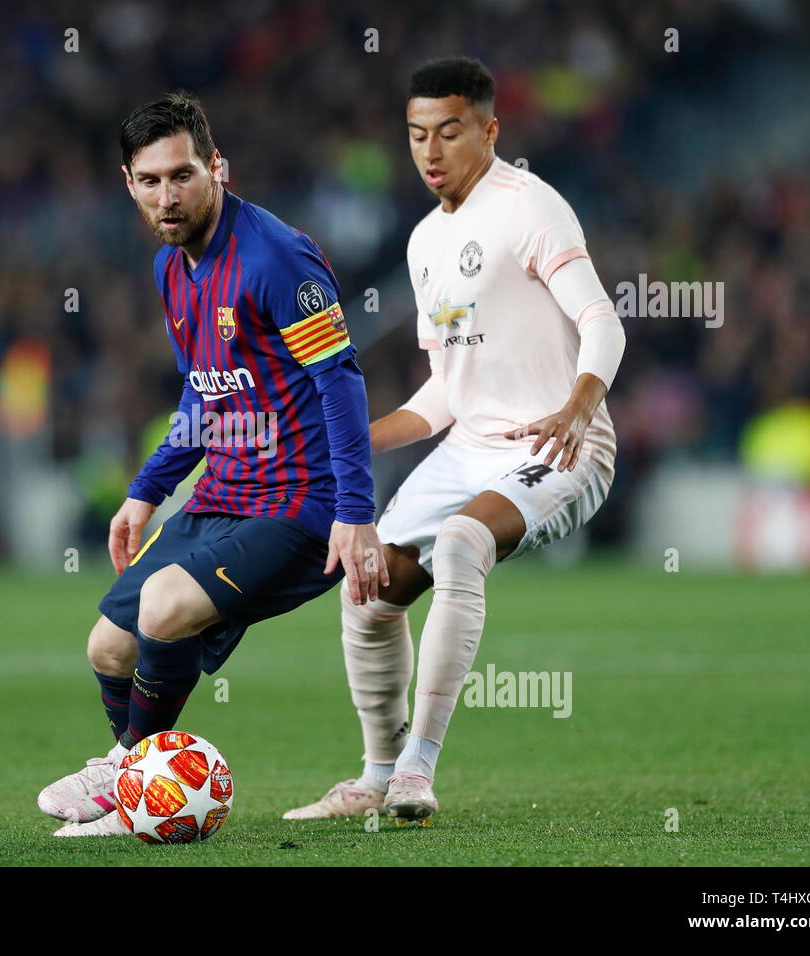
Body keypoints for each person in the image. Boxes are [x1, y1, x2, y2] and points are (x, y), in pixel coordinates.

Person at [284, 56, 625, 824]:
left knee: (465, 540)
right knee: (368, 589)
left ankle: (417, 771)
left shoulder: (531, 207)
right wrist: (357, 438)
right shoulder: (422, 244)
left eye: (449, 132)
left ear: (489, 130)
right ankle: (375, 773)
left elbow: (603, 320)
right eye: (416, 136)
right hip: (471, 444)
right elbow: (445, 391)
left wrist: (579, 403)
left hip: (560, 444)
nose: (430, 153)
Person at [40, 92, 387, 836]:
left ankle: (128, 775)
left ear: (217, 169)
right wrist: (145, 492)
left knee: (164, 607)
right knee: (107, 643)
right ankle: (135, 782)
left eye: (183, 175)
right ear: (128, 185)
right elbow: (207, 395)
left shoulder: (277, 256)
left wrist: (356, 514)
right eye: (150, 181)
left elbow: (341, 380)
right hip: (223, 490)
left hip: (300, 503)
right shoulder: (172, 270)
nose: (168, 196)